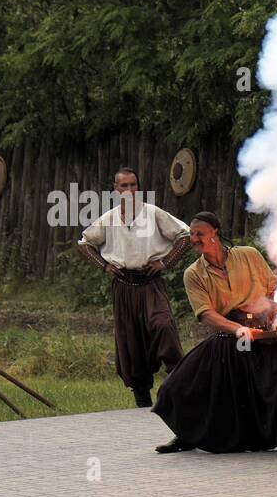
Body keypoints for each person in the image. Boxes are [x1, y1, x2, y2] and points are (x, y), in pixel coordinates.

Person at [151, 212, 277, 455]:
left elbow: (274, 289)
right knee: (179, 386)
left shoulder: (248, 255)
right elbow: (206, 314)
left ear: (215, 232)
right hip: (227, 339)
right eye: (191, 234)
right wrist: (239, 329)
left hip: (263, 336)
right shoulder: (193, 273)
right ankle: (187, 435)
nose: (193, 239)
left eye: (199, 234)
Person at [77, 167, 192, 407]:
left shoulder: (152, 213)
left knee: (163, 326)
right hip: (123, 287)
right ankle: (142, 401)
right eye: (124, 186)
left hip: (150, 283)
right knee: (130, 342)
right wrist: (104, 265)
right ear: (115, 190)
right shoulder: (108, 219)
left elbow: (185, 236)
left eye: (133, 185)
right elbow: (85, 243)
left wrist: (166, 262)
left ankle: (178, 386)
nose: (129, 190)